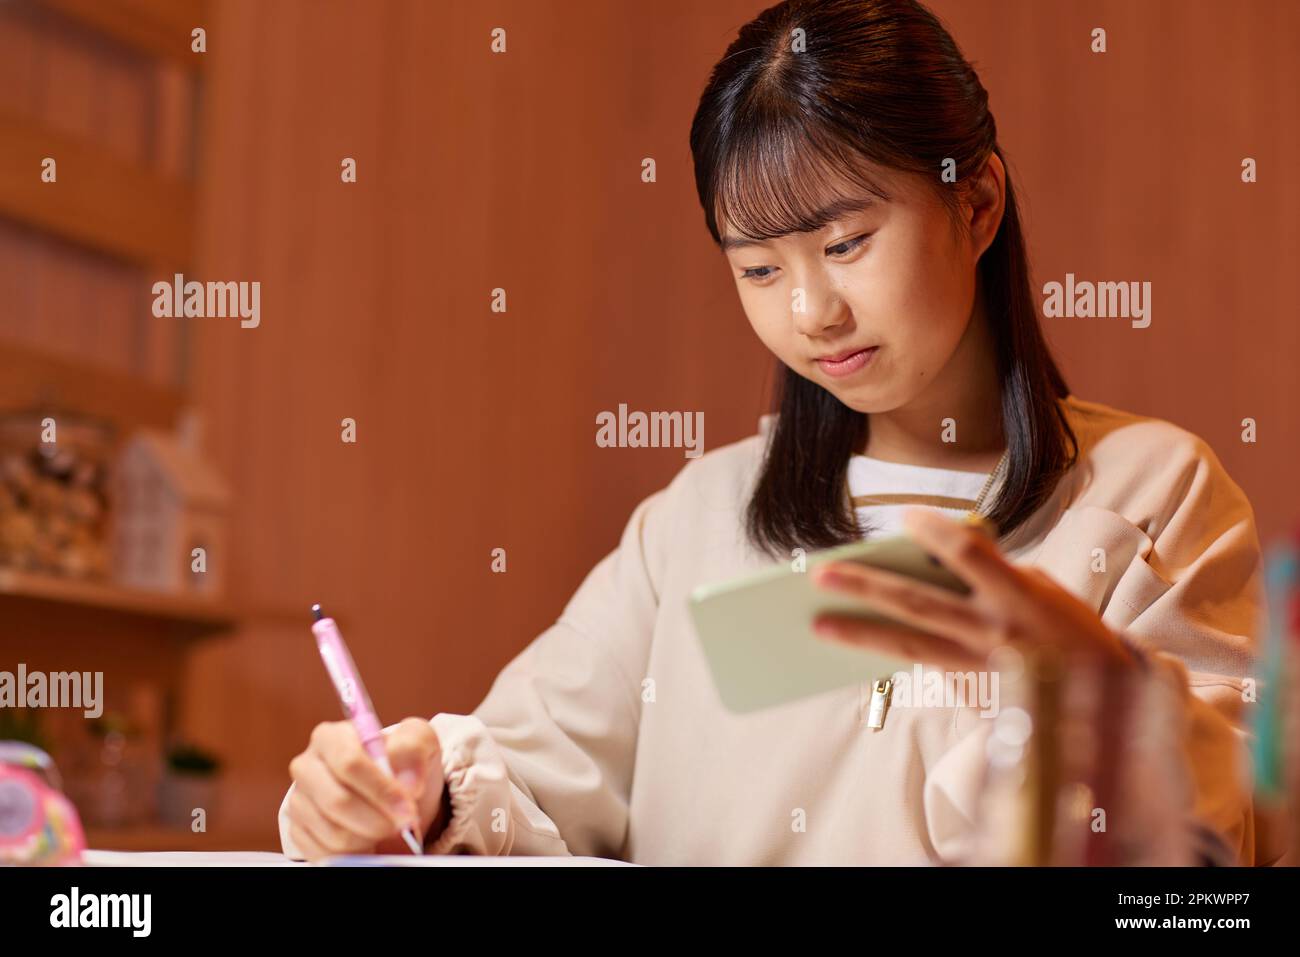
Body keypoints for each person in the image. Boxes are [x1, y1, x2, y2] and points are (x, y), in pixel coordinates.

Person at [278, 0, 1270, 865]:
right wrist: (408, 793)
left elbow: (1210, 852)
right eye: (757, 269)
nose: (810, 312)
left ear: (975, 204)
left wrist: (1088, 708)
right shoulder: (695, 523)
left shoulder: (1146, 495)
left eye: (845, 245)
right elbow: (526, 776)